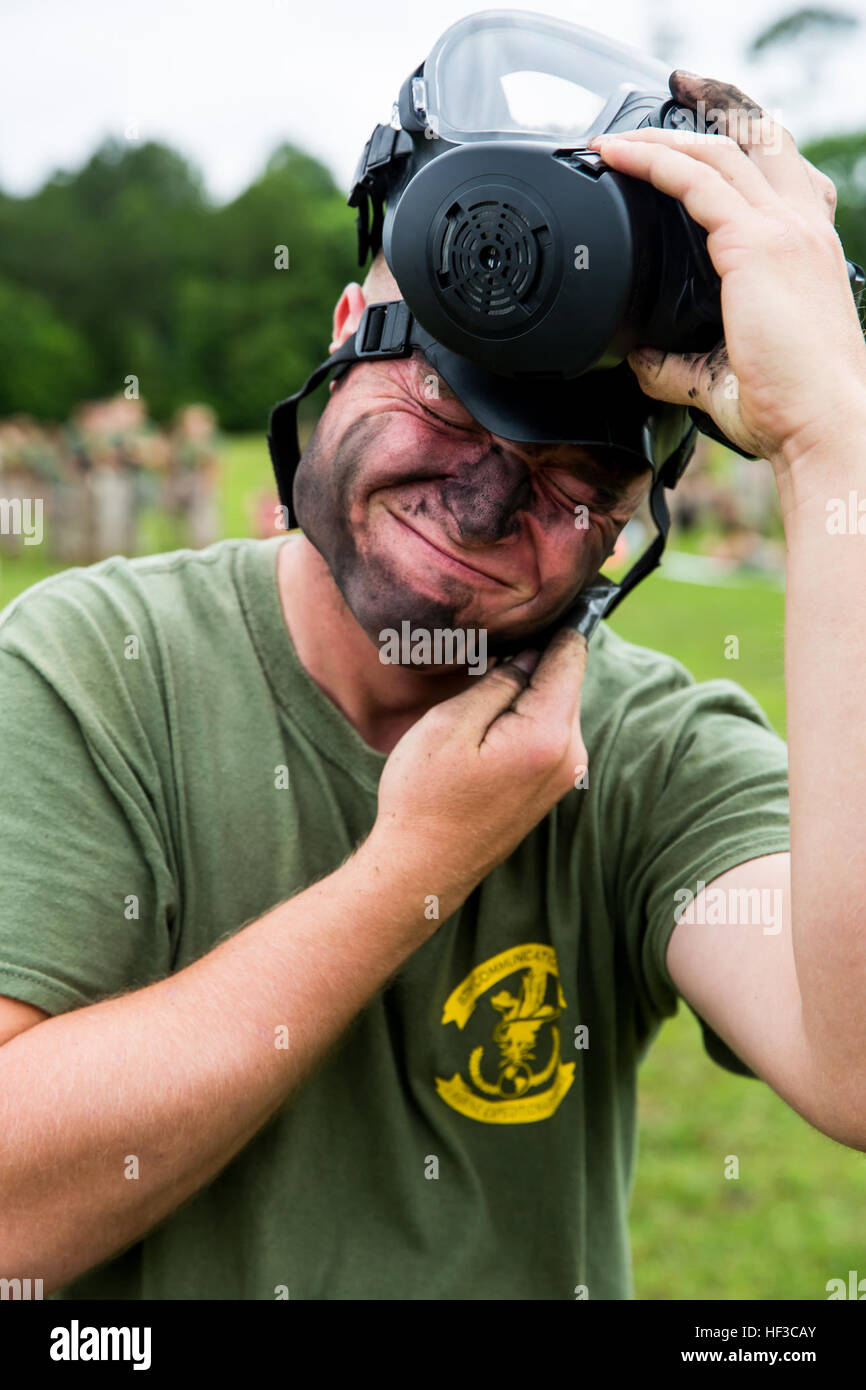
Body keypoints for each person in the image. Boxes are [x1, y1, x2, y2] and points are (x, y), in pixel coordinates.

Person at [1, 70, 865, 1302]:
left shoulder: (640, 747)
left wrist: (833, 435)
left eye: (572, 482)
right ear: (346, 329)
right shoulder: (96, 668)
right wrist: (410, 871)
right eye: (448, 400)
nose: (475, 511)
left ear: (629, 523)